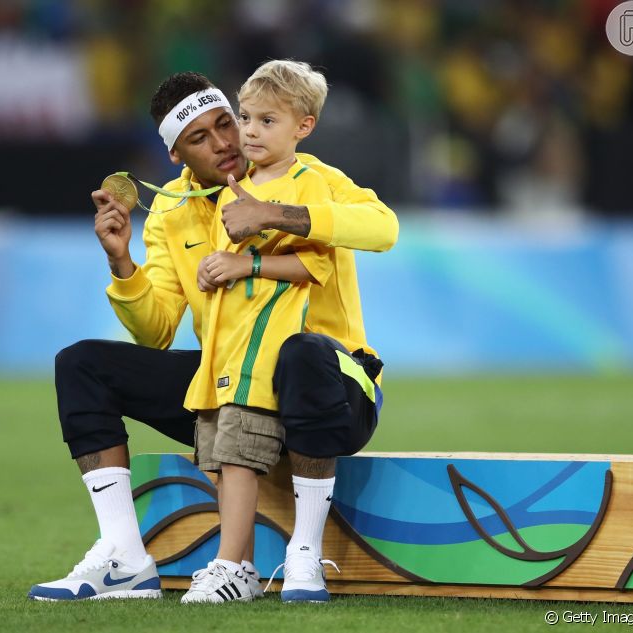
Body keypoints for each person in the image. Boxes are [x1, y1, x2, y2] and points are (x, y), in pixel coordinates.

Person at [29, 70, 397, 602]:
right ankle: (124, 556)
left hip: (337, 388)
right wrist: (122, 263)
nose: (226, 142)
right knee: (80, 363)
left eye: (227, 123)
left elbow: (384, 228)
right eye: (200, 137)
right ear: (175, 154)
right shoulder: (169, 211)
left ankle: (303, 556)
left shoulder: (306, 176)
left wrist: (274, 215)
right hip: (233, 380)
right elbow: (155, 331)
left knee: (300, 353)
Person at [180, 60, 335, 604]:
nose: (249, 131)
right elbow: (229, 262)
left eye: (267, 121)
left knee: (240, 455)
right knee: (219, 459)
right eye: (245, 117)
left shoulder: (308, 184)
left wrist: (245, 265)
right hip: (225, 353)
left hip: (265, 351)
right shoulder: (234, 188)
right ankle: (240, 566)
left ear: (303, 127)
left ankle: (229, 565)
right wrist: (212, 269)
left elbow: (317, 265)